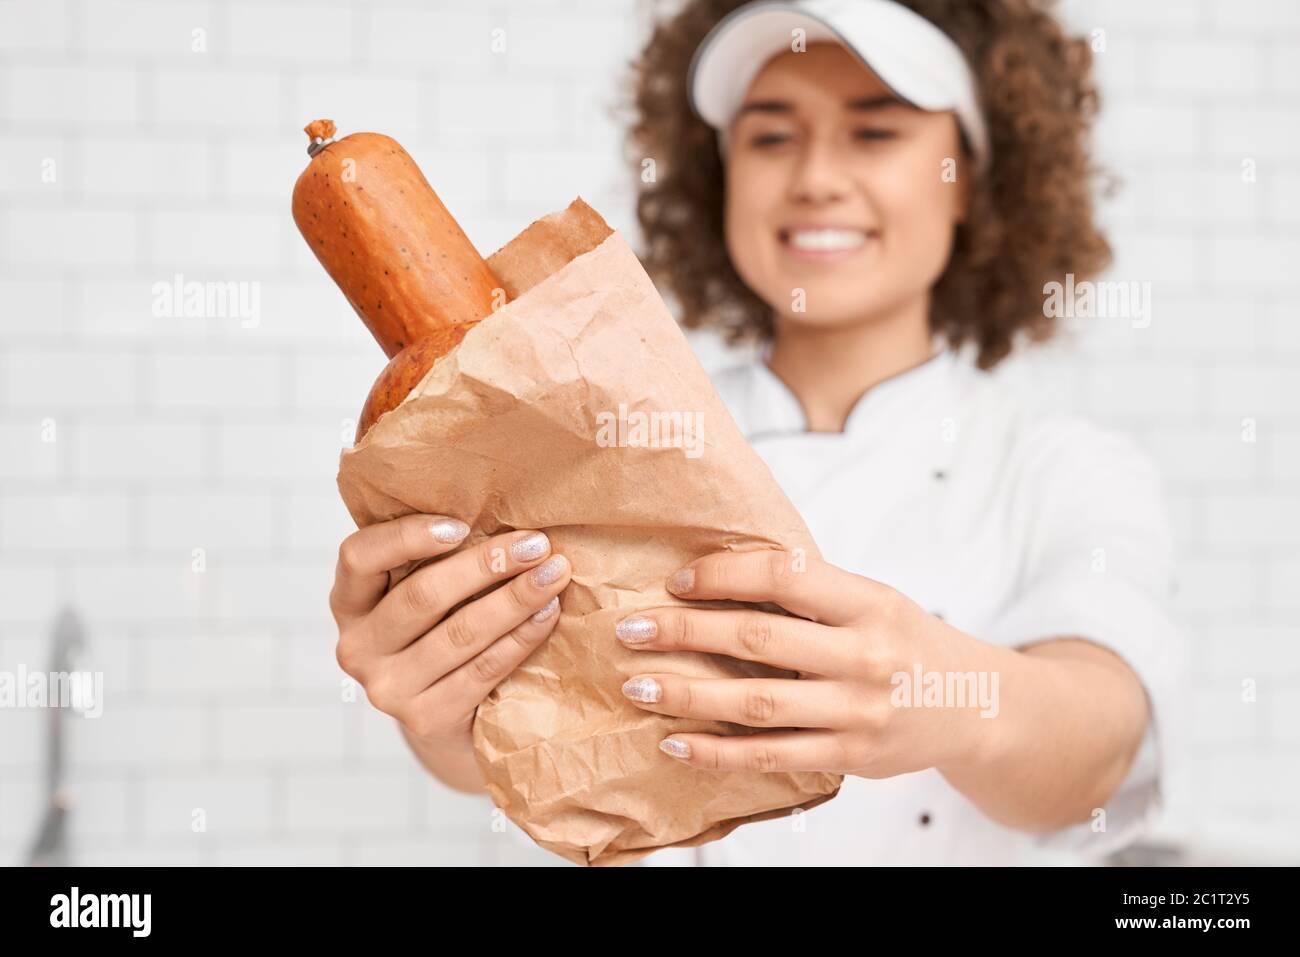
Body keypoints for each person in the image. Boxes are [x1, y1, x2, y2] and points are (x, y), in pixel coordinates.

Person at [328, 0, 1181, 865]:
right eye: (772, 137)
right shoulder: (587, 428)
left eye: (875, 132)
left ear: (974, 182)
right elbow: (525, 732)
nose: (815, 176)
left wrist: (950, 698)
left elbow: (1102, 740)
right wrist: (439, 700)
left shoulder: (1063, 469)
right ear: (721, 175)